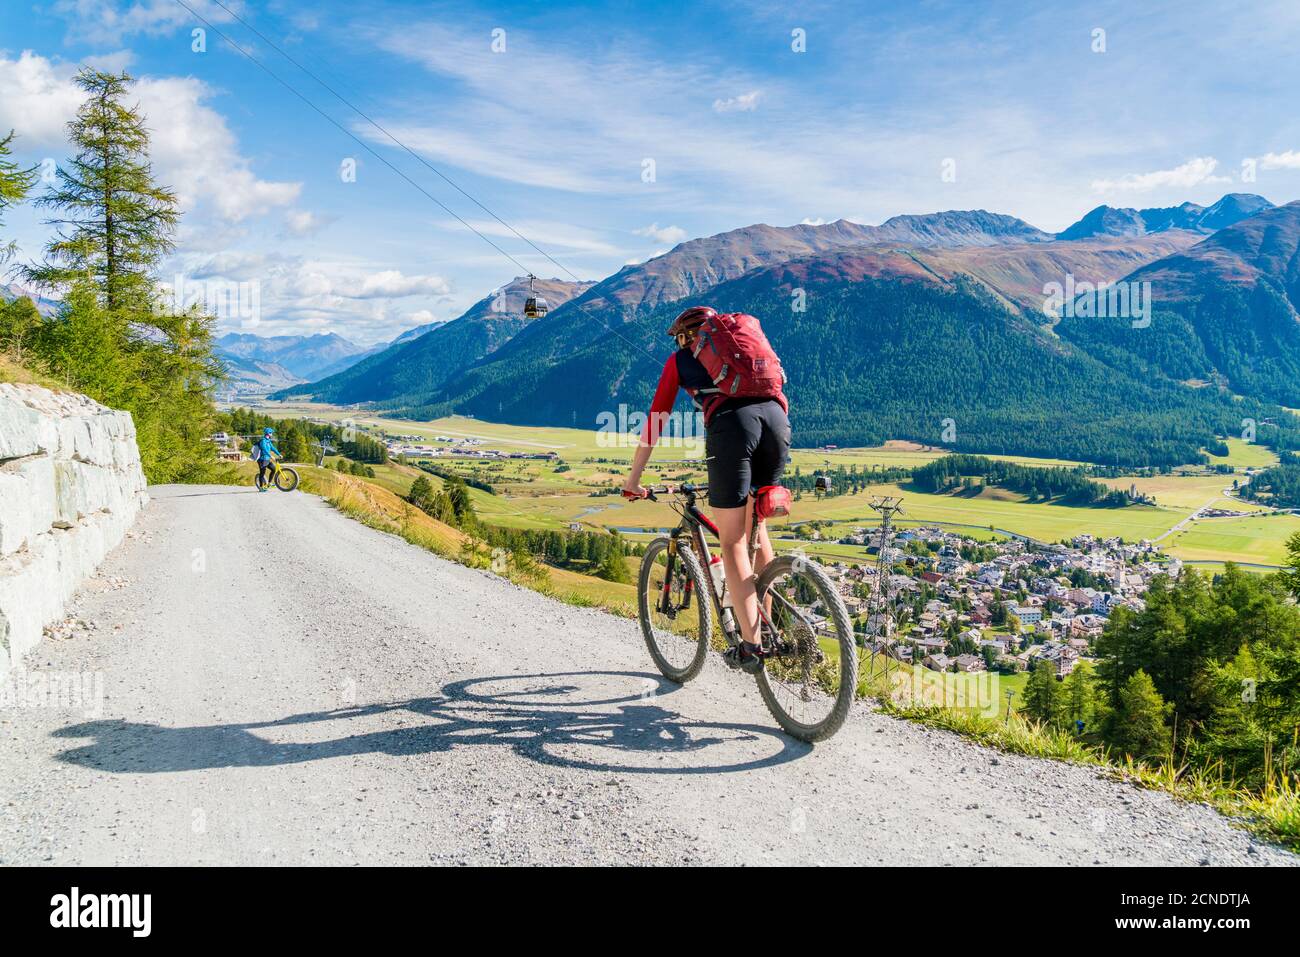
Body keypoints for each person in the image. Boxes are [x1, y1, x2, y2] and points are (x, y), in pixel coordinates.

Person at [621, 305, 791, 673]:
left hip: (733, 428)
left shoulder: (681, 360)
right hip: (777, 421)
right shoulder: (744, 350)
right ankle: (769, 626)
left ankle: (751, 646)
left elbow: (656, 420)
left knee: (731, 542)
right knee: (756, 532)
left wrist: (633, 480)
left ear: (685, 335)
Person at [252, 427, 281, 491]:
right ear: (268, 433)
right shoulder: (263, 441)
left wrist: (279, 454)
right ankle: (261, 487)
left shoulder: (268, 441)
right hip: (262, 460)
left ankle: (269, 483)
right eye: (271, 433)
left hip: (267, 459)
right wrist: (271, 456)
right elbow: (264, 449)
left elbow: (273, 448)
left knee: (274, 469)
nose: (272, 434)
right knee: (262, 473)